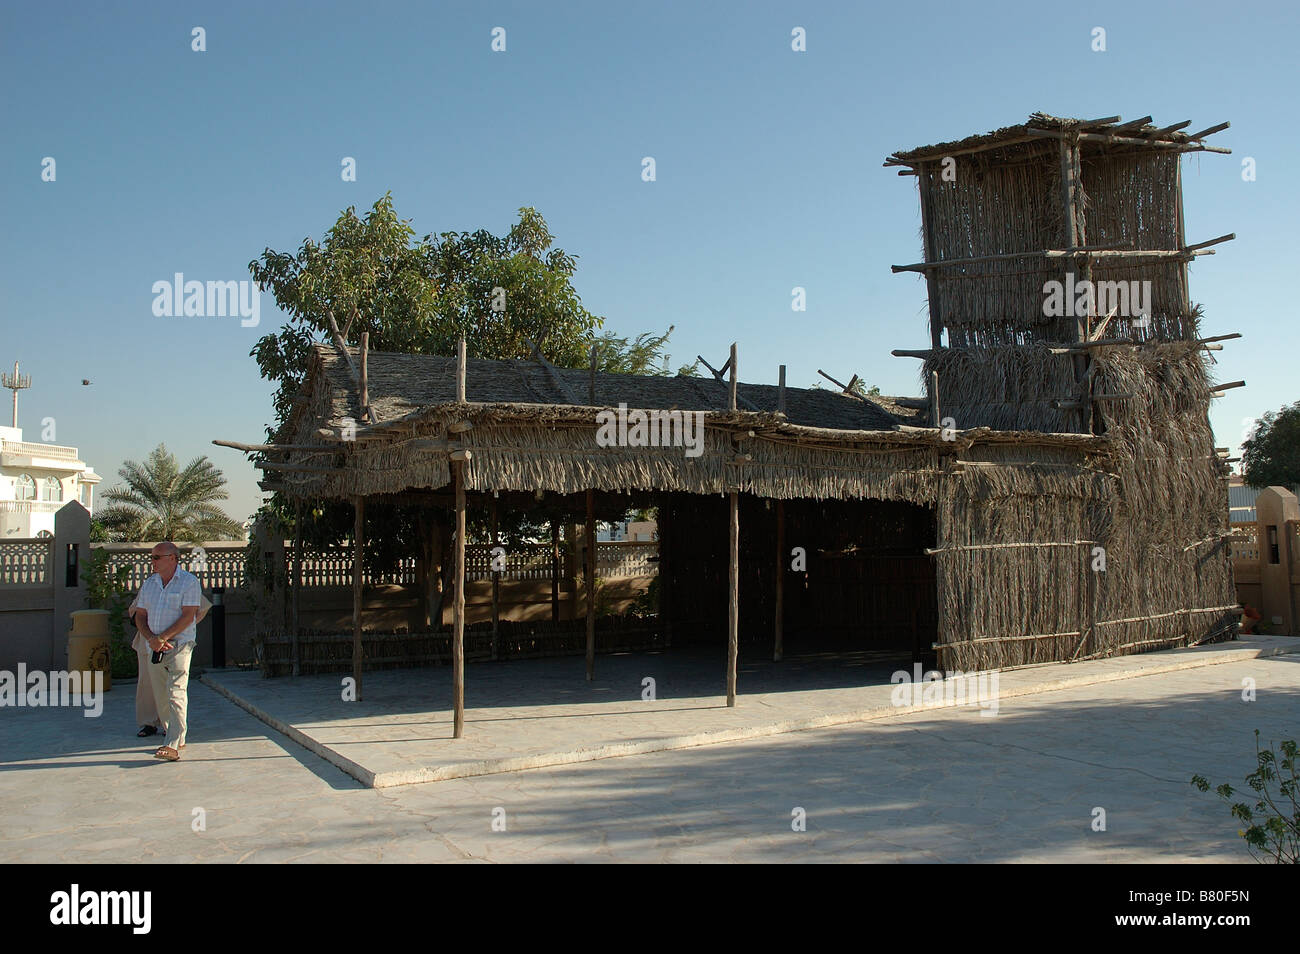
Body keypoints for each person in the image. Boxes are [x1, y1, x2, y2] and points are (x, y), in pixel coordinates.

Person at [131, 541, 201, 761]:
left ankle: (171, 742)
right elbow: (140, 615)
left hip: (179, 645)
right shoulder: (150, 584)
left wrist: (163, 637)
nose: (152, 562)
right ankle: (175, 736)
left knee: (176, 690)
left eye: (156, 557)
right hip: (154, 646)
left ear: (172, 558)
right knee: (161, 695)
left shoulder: (189, 582)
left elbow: (189, 615)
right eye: (152, 557)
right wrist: (152, 638)